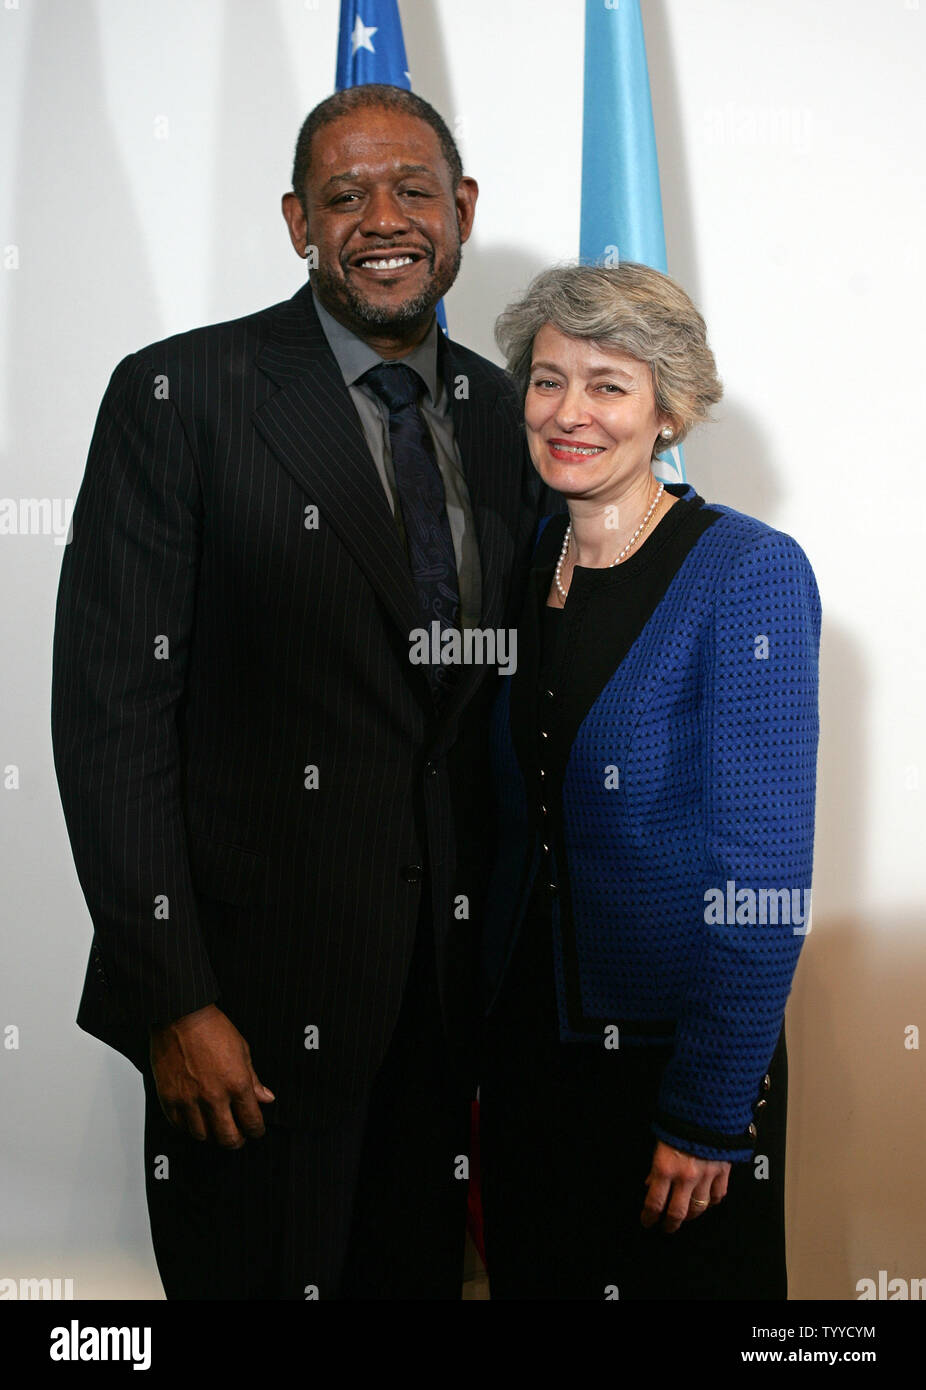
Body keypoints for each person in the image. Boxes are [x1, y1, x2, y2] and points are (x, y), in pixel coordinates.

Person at [50, 83, 550, 1300]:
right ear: (296, 222)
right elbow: (111, 718)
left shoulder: (512, 416)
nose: (383, 218)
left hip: (443, 1023)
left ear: (462, 209)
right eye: (344, 195)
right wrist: (176, 1000)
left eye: (413, 190)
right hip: (248, 1024)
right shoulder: (182, 397)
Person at [479, 262, 820, 1300]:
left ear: (666, 409)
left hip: (672, 1075)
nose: (567, 412)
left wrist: (709, 1110)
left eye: (606, 384)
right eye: (546, 380)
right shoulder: (526, 556)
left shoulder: (745, 571)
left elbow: (760, 881)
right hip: (532, 1063)